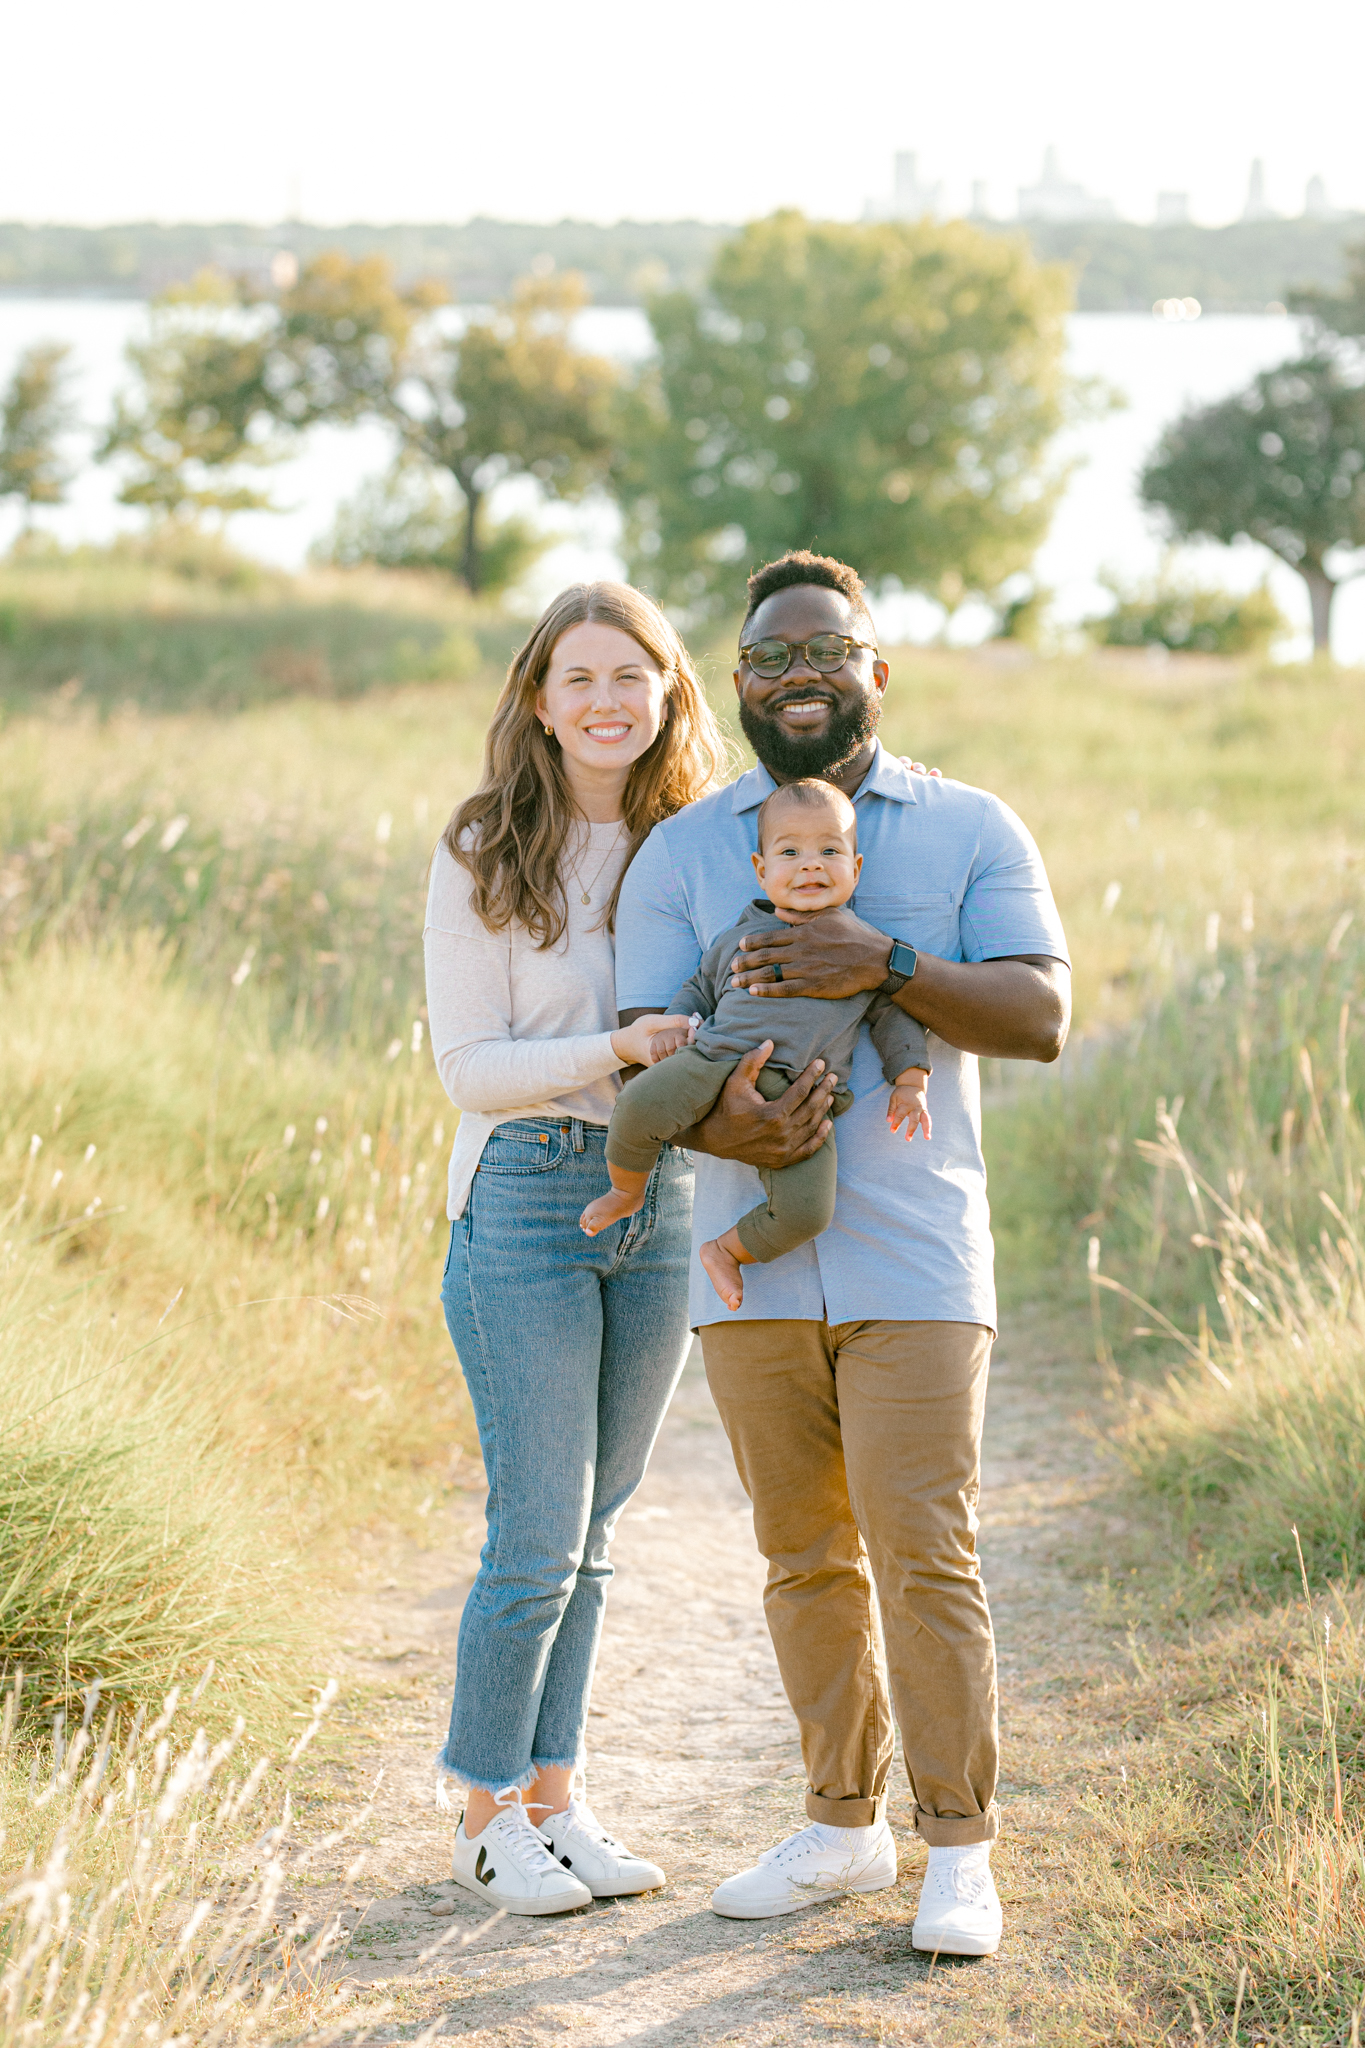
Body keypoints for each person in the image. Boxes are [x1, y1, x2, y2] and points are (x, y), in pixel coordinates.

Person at [614, 550, 1071, 1956]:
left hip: (916, 1259)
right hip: (747, 1264)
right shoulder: (684, 851)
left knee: (924, 1551)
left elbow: (1039, 1017)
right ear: (737, 683)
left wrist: (884, 963)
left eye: (827, 652)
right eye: (771, 657)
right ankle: (840, 1825)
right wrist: (731, 1125)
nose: (800, 676)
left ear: (877, 671)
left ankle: (960, 1851)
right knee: (801, 1553)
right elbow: (648, 1042)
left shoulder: (972, 826)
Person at [425, 581, 727, 1916]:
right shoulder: (486, 844)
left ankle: (557, 1799)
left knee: (597, 1530)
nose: (607, 700)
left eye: (630, 674)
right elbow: (467, 1069)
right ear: (540, 702)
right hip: (528, 1193)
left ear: (668, 691)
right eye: (579, 677)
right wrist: (613, 1047)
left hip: (660, 1199)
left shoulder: (698, 842)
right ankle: (485, 1815)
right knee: (538, 1532)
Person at [580, 779, 931, 1312]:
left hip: (803, 1094)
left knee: (809, 1212)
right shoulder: (741, 935)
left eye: (829, 851)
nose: (810, 865)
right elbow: (702, 985)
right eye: (790, 853)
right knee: (637, 1102)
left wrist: (910, 1080)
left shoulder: (863, 947)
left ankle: (727, 1250)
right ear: (761, 870)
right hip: (715, 1058)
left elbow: (893, 1019)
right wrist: (676, 1023)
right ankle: (626, 1191)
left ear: (855, 868)